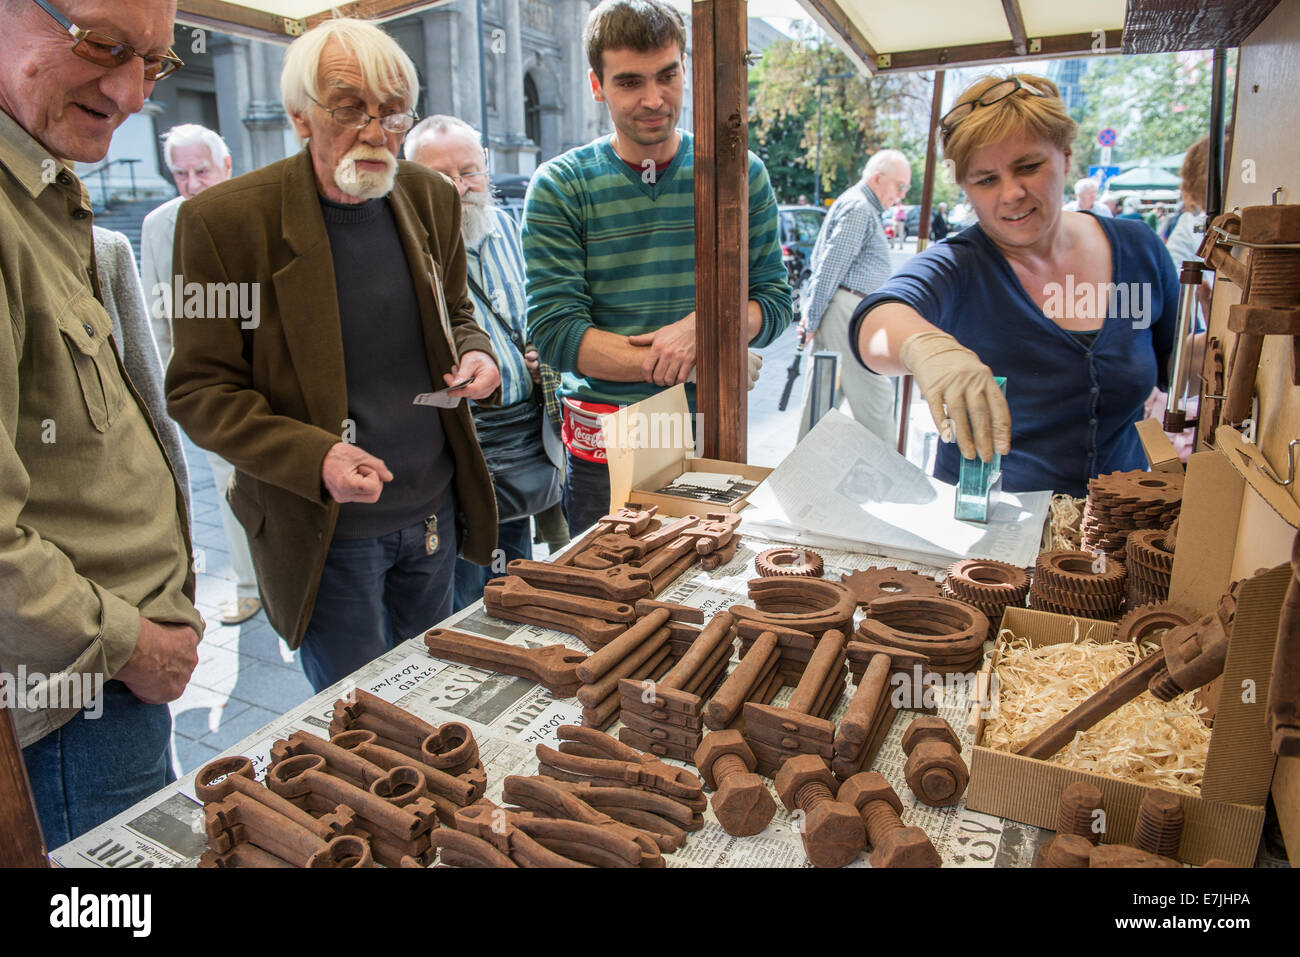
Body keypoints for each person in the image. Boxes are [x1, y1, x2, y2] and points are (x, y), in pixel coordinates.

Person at [166, 18, 502, 692]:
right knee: (355, 714)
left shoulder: (430, 196)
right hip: (326, 532)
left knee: (434, 693)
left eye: (393, 112)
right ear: (300, 116)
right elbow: (200, 391)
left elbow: (458, 311)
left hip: (432, 511)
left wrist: (477, 353)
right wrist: (316, 456)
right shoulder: (223, 224)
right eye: (349, 109)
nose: (376, 133)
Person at [1, 0, 203, 846]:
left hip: (102, 692)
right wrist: (130, 643)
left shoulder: (39, 185)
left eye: (153, 62)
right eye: (102, 45)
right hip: (70, 707)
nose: (130, 93)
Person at [524, 0, 791, 534]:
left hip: (714, 434)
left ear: (686, 69)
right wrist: (706, 352)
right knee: (606, 585)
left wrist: (703, 330)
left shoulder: (740, 174)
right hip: (609, 449)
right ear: (597, 86)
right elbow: (556, 334)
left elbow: (774, 302)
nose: (653, 99)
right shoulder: (561, 185)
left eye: (667, 75)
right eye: (629, 82)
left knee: (711, 577)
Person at [851, 74, 1178, 498]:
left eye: (1028, 167)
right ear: (965, 188)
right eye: (986, 179)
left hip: (1120, 521)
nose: (1011, 193)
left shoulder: (1139, 250)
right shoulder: (959, 266)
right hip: (989, 528)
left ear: (1065, 156)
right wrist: (925, 347)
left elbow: (1179, 363)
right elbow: (874, 324)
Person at [405, 114, 564, 610]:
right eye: (440, 177)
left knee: (513, 572)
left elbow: (533, 316)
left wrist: (539, 357)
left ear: (486, 167)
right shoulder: (407, 255)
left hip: (522, 442)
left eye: (469, 171)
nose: (458, 187)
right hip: (457, 449)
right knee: (463, 585)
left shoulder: (510, 229)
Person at [140, 123, 261, 625]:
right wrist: (174, 389)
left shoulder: (257, 211)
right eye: (181, 173)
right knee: (228, 482)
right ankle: (250, 585)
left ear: (226, 167)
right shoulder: (159, 225)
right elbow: (156, 314)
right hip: (209, 386)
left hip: (269, 378)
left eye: (201, 171)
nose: (191, 183)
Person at [796, 149, 911, 442]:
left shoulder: (860, 205)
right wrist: (811, 320)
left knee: (822, 401)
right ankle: (886, 467)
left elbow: (828, 269)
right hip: (846, 311)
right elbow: (829, 269)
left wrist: (812, 317)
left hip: (845, 310)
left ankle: (806, 466)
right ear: (878, 178)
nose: (901, 196)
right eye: (900, 186)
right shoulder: (860, 207)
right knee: (875, 399)